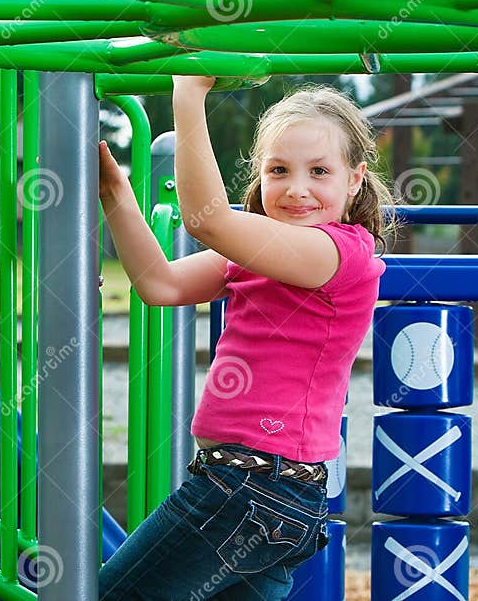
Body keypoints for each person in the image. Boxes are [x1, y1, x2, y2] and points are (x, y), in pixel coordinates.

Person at [97, 75, 395, 600]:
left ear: (354, 180)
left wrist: (189, 93)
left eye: (319, 171)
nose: (297, 188)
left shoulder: (340, 254)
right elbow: (161, 285)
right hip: (271, 496)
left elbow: (208, 221)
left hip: (248, 490)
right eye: (278, 170)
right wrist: (115, 194)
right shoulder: (258, 254)